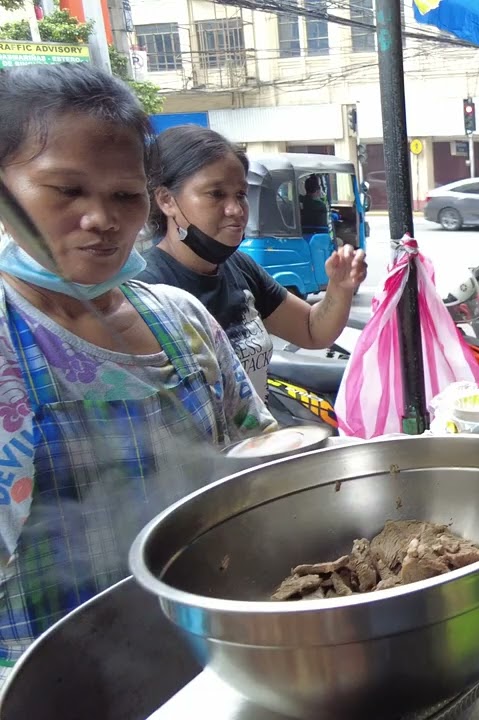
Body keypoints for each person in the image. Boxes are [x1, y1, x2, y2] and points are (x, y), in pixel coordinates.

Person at [0, 63, 275, 674]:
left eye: (124, 195)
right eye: (66, 190)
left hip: (210, 660)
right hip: (48, 684)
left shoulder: (182, 320)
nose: (101, 220)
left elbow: (252, 462)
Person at [137, 126, 368, 397]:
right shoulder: (146, 290)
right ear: (167, 200)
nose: (235, 210)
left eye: (240, 194)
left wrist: (339, 288)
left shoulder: (240, 267)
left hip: (259, 437)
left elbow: (311, 330)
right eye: (216, 194)